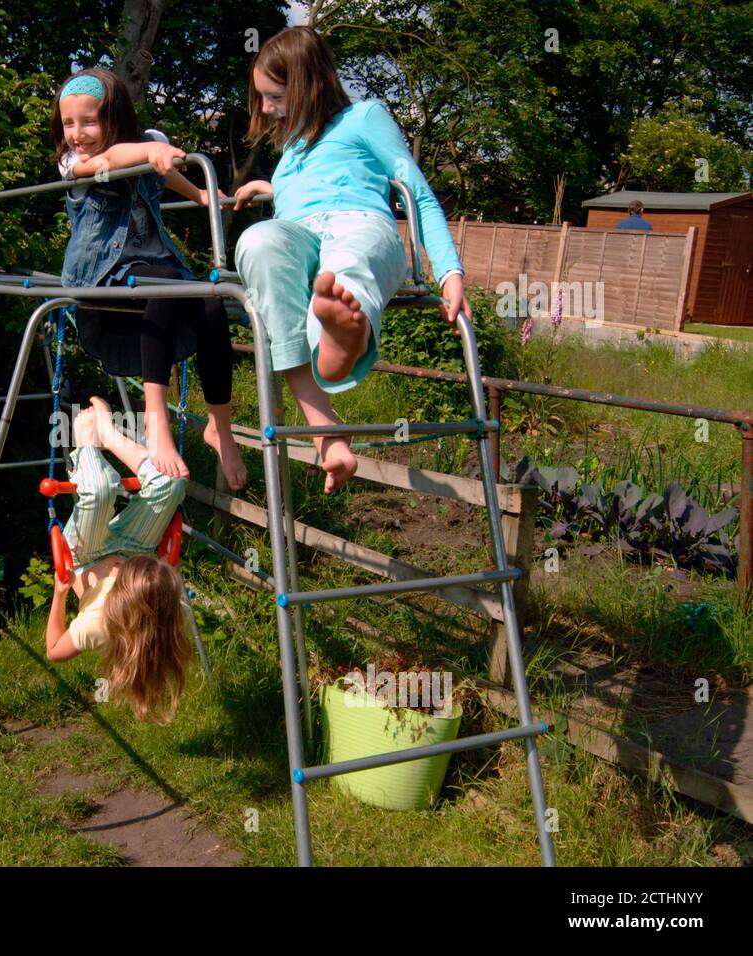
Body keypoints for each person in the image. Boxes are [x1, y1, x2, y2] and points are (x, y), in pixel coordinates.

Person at [232, 27, 470, 493]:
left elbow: (416, 193)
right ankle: (327, 410)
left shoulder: (365, 117)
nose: (264, 108)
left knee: (346, 261)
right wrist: (272, 189)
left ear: (308, 86)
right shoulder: (291, 149)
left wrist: (449, 270)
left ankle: (342, 335)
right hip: (301, 237)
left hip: (358, 222)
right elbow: (313, 188)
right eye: (261, 97)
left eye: (273, 96)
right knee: (259, 241)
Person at [52, 67, 247, 491]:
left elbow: (159, 167)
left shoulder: (148, 142)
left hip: (154, 258)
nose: (77, 133)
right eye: (69, 123)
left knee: (211, 304)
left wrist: (197, 194)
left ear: (115, 117)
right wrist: (147, 154)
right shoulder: (74, 163)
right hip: (103, 271)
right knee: (164, 284)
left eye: (89, 120)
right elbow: (108, 162)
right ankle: (156, 422)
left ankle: (220, 427)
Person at [44, 397, 193, 724]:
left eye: (127, 574)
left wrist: (59, 593)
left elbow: (54, 651)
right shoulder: (167, 602)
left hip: (85, 555)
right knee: (172, 482)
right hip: (132, 544)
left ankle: (86, 443)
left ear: (124, 593)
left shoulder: (97, 625)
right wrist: (153, 559)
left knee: (100, 490)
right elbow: (158, 569)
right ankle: (110, 436)